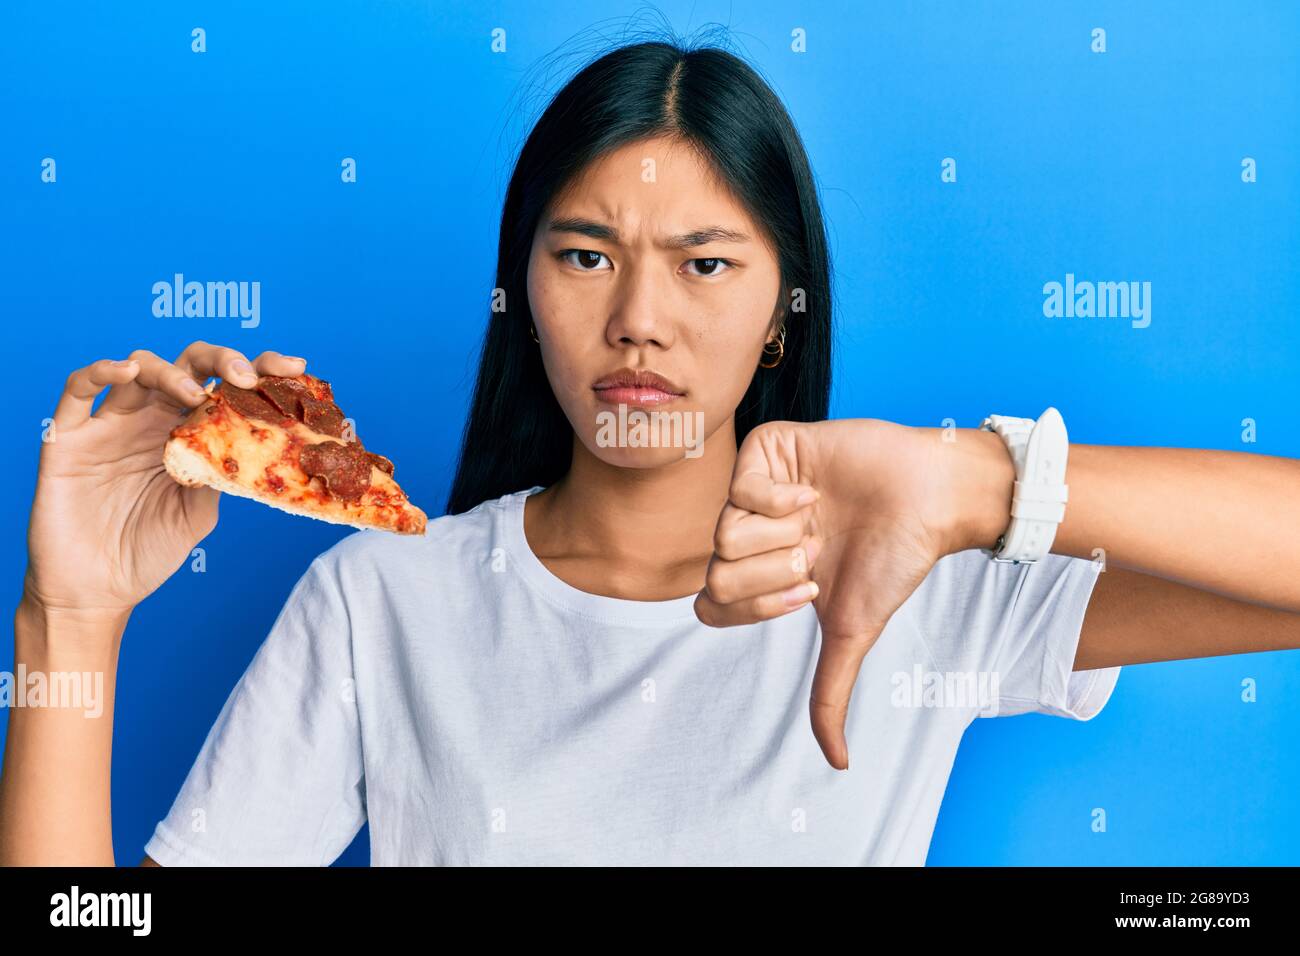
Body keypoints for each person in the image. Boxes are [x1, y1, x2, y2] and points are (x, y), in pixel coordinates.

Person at [3, 40, 1299, 867]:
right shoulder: (381, 603)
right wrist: (70, 625)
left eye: (707, 263)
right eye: (584, 256)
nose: (638, 317)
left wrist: (979, 484)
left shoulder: (921, 577)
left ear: (788, 309)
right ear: (520, 289)